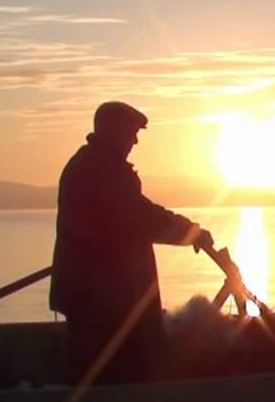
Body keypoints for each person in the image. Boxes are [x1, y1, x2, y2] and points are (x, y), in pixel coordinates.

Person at [49, 101, 214, 384]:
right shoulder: (99, 171)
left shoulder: (96, 166)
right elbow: (140, 217)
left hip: (99, 297)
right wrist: (190, 233)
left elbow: (137, 214)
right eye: (132, 132)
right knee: (116, 375)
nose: (135, 140)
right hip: (103, 301)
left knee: (100, 372)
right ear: (112, 130)